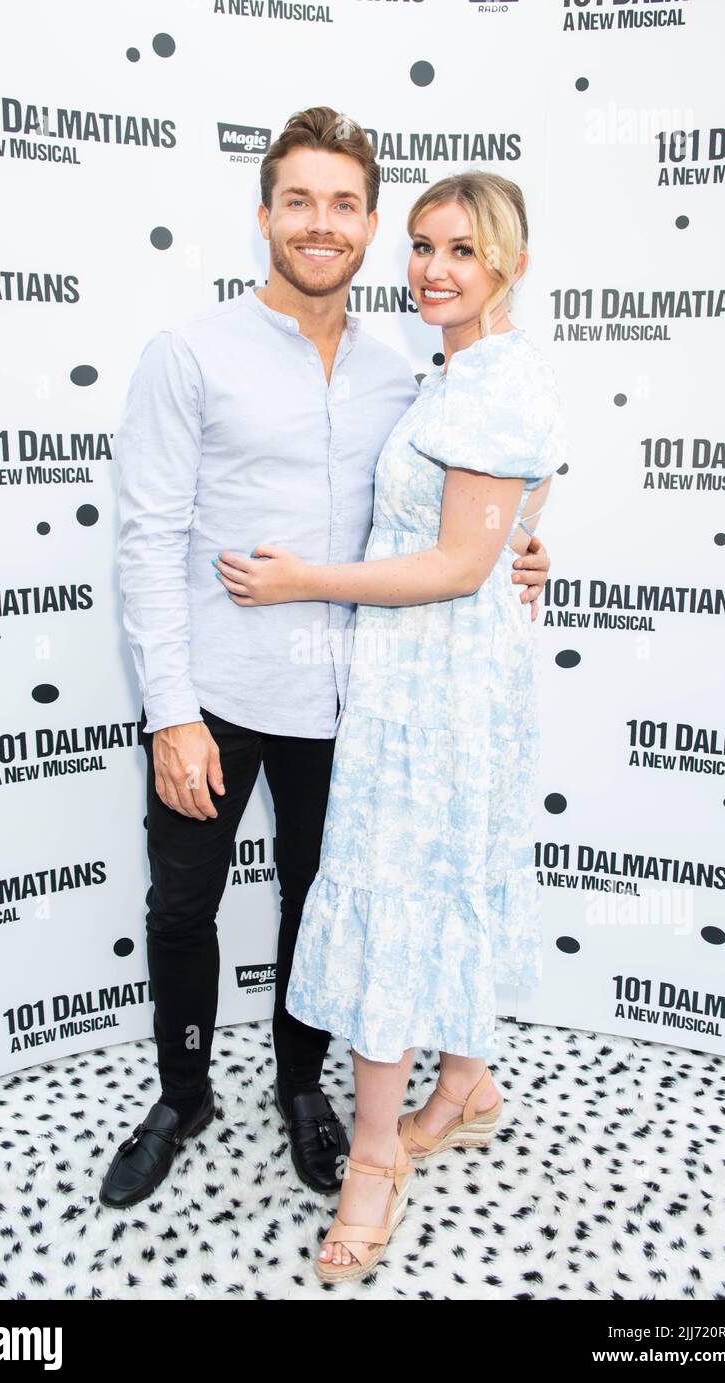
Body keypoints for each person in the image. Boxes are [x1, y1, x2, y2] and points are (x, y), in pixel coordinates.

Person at [101, 107, 552, 1210]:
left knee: (318, 899)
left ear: (365, 224)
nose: (321, 223)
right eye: (297, 201)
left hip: (351, 700)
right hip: (216, 692)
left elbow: (453, 515)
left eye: (344, 205)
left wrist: (514, 556)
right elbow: (147, 538)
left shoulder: (408, 369)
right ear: (263, 216)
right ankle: (182, 1092)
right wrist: (170, 713)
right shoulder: (189, 353)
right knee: (180, 909)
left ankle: (303, 1090)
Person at [213, 168, 566, 1282]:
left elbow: (464, 563)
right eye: (420, 245)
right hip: (425, 677)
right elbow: (492, 536)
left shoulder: (493, 382)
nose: (431, 268)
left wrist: (305, 579)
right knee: (433, 880)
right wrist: (524, 548)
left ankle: (374, 1162)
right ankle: (464, 1083)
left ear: (505, 261)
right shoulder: (454, 370)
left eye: (460, 249)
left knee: (399, 888)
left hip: (443, 695)